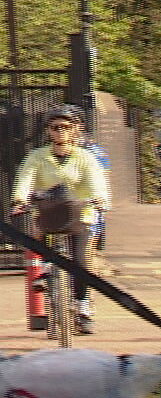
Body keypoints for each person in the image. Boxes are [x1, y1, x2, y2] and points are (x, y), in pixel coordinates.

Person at [9, 105, 111, 334]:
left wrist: (99, 199)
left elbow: (96, 181)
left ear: (74, 130)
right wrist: (19, 199)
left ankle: (82, 306)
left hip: (80, 214)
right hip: (48, 211)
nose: (60, 131)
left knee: (81, 261)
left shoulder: (85, 157)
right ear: (48, 130)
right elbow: (25, 178)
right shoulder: (37, 156)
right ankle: (45, 268)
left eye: (65, 127)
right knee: (39, 228)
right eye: (55, 127)